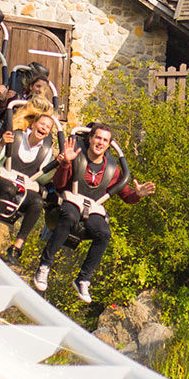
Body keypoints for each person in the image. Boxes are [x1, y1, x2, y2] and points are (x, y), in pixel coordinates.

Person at [34, 122, 131, 303]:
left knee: (104, 234)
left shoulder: (111, 169)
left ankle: (83, 279)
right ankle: (44, 265)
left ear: (109, 145)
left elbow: (126, 194)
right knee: (70, 216)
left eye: (105, 140)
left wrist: (138, 194)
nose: (100, 143)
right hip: (71, 198)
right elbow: (59, 184)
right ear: (90, 138)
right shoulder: (77, 156)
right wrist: (65, 164)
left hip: (93, 206)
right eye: (97, 138)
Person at [0, 98, 60, 259]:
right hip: (3, 181)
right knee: (8, 188)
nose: (44, 128)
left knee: (38, 202)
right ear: (33, 125)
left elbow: (43, 178)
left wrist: (57, 166)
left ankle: (17, 246)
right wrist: (2, 144)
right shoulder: (15, 137)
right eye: (42, 124)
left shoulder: (45, 150)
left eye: (48, 127)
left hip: (24, 188)